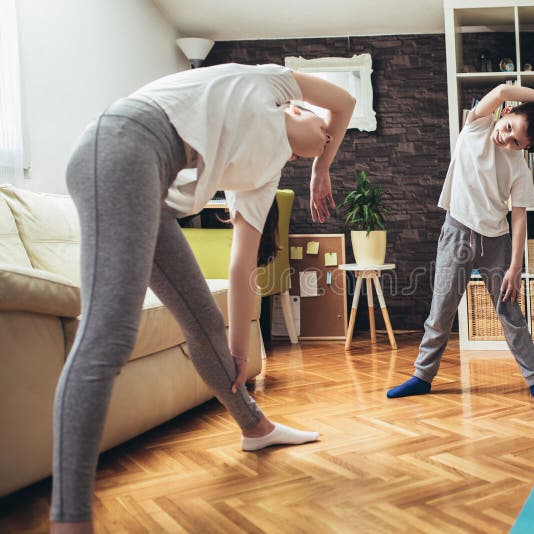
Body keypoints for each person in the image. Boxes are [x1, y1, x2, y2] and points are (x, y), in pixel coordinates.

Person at [51, 63, 355, 532]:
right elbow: (344, 104)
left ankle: (255, 428)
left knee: (204, 322)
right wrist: (323, 167)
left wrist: (238, 349)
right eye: (324, 133)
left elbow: (242, 264)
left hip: (151, 189)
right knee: (110, 334)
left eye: (327, 143)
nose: (325, 138)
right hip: (122, 144)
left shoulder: (266, 172)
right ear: (296, 108)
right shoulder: (272, 83)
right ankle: (70, 520)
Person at [387, 84, 534, 404]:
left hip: (495, 243)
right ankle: (422, 376)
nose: (506, 139)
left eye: (517, 142)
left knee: (511, 314)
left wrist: (515, 268)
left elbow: (519, 218)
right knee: (441, 311)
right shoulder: (476, 126)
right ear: (506, 113)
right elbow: (501, 90)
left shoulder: (519, 168)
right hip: (457, 232)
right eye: (508, 128)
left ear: (524, 148)